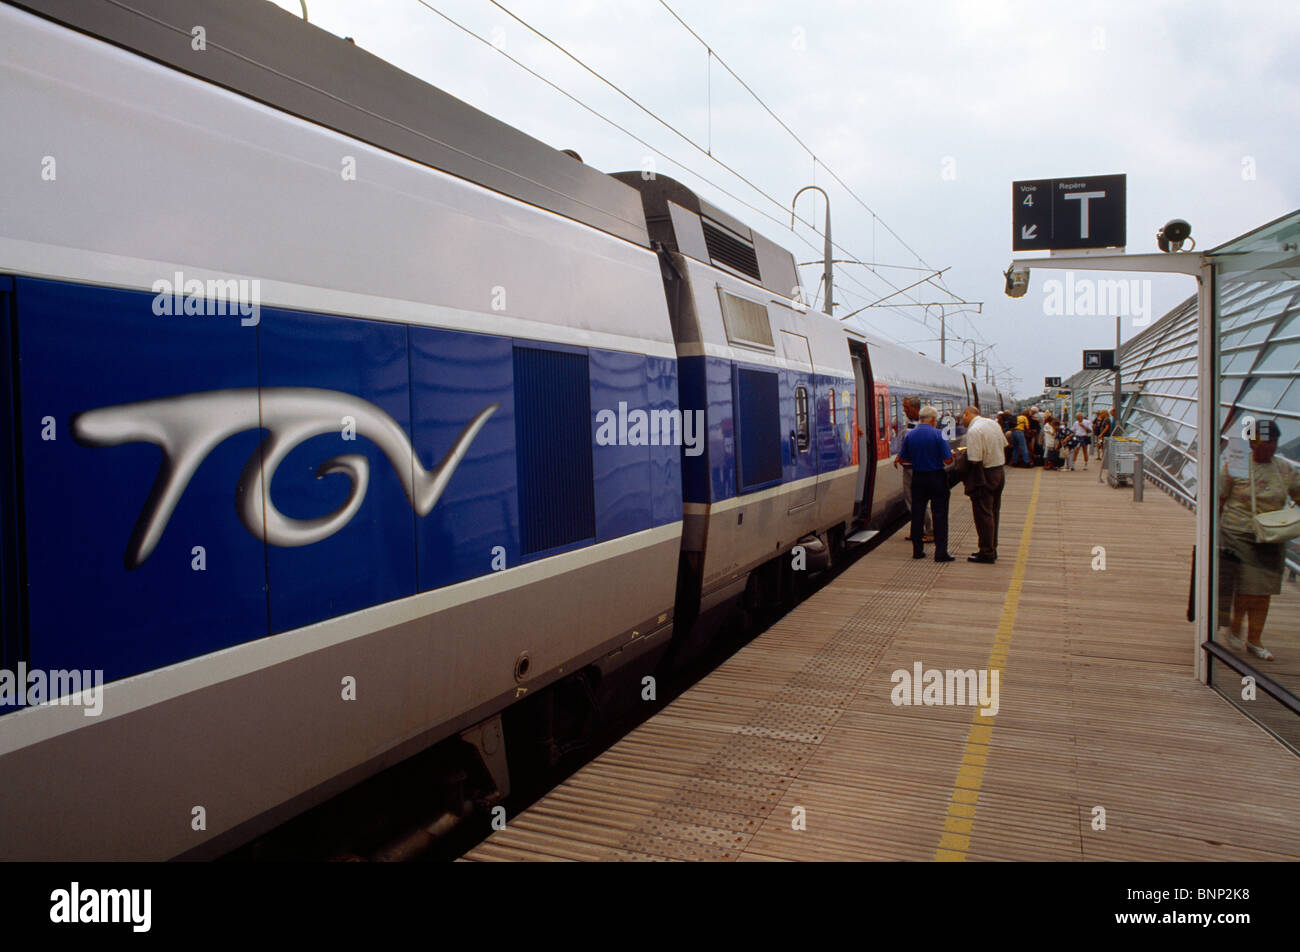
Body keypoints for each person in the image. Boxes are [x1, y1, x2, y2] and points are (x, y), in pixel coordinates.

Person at [1217, 420, 1300, 661]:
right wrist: (1217, 536)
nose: (1272, 447)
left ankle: (1254, 638)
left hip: (1273, 534)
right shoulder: (1235, 467)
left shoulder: (1285, 469)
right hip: (1240, 532)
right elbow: (1221, 499)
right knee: (1249, 586)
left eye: (1274, 441)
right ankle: (1236, 628)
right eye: (1267, 441)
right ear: (1252, 443)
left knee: (1265, 591)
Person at [898, 405, 954, 562]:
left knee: (917, 514)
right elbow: (948, 460)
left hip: (918, 478)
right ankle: (941, 553)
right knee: (940, 515)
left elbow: (902, 459)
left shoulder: (910, 435)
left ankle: (917, 551)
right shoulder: (939, 435)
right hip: (936, 478)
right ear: (933, 419)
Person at [959, 405, 1006, 563]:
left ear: (967, 414)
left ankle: (986, 552)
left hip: (984, 474)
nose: (961, 421)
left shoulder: (973, 431)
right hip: (999, 471)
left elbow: (974, 460)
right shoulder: (993, 424)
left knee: (983, 514)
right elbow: (1004, 445)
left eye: (962, 418)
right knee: (994, 512)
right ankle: (992, 548)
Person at [894, 394, 934, 543]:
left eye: (907, 407)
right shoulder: (912, 423)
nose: (904, 410)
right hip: (910, 467)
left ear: (916, 408)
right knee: (912, 500)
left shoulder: (921, 425)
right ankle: (918, 530)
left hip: (915, 468)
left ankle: (929, 531)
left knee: (919, 501)